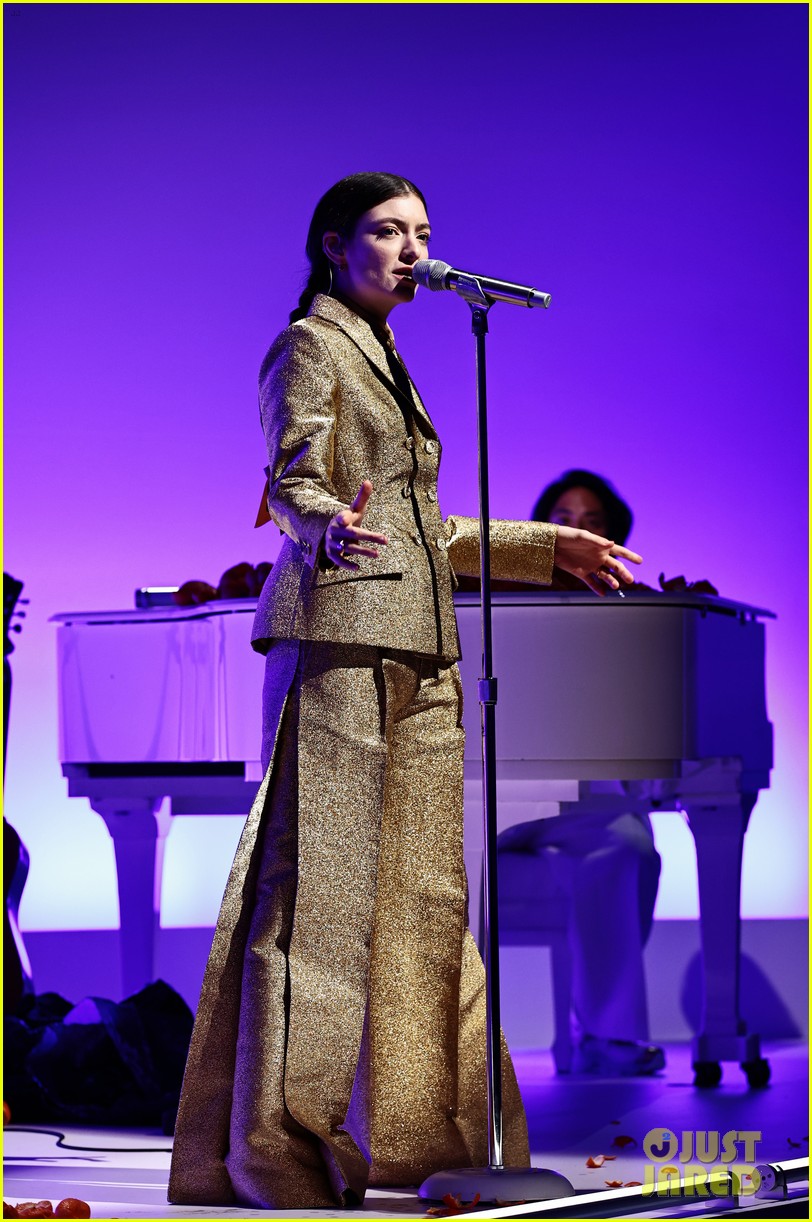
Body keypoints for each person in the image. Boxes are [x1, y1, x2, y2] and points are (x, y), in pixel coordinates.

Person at [167, 175, 642, 1210]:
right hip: (339, 640)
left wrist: (544, 546)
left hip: (424, 656)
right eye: (388, 232)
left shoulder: (395, 357)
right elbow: (294, 478)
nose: (411, 250)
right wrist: (322, 524)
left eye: (422, 234)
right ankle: (277, 1152)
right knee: (319, 903)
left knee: (428, 904)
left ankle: (422, 1141)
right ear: (334, 246)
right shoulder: (309, 344)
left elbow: (431, 531)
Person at [496, 470, 664, 1076]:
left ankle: (608, 1036)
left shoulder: (636, 613)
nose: (575, 529)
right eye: (562, 517)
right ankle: (449, 1052)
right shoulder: (495, 594)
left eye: (590, 521)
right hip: (488, 786)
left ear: (611, 537)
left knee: (627, 845)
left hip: (578, 796)